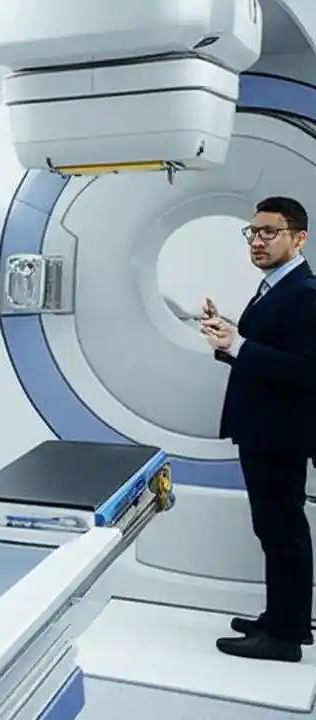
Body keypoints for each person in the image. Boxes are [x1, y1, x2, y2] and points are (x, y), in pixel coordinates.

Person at [202, 195, 316, 663]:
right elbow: (262, 350)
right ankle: (281, 618)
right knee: (271, 528)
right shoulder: (273, 287)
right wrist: (225, 336)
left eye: (269, 232)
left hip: (281, 431)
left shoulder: (306, 293)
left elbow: (308, 369)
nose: (257, 241)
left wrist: (241, 344)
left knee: (283, 529)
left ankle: (286, 638)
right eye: (252, 232)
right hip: (264, 426)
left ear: (298, 238)